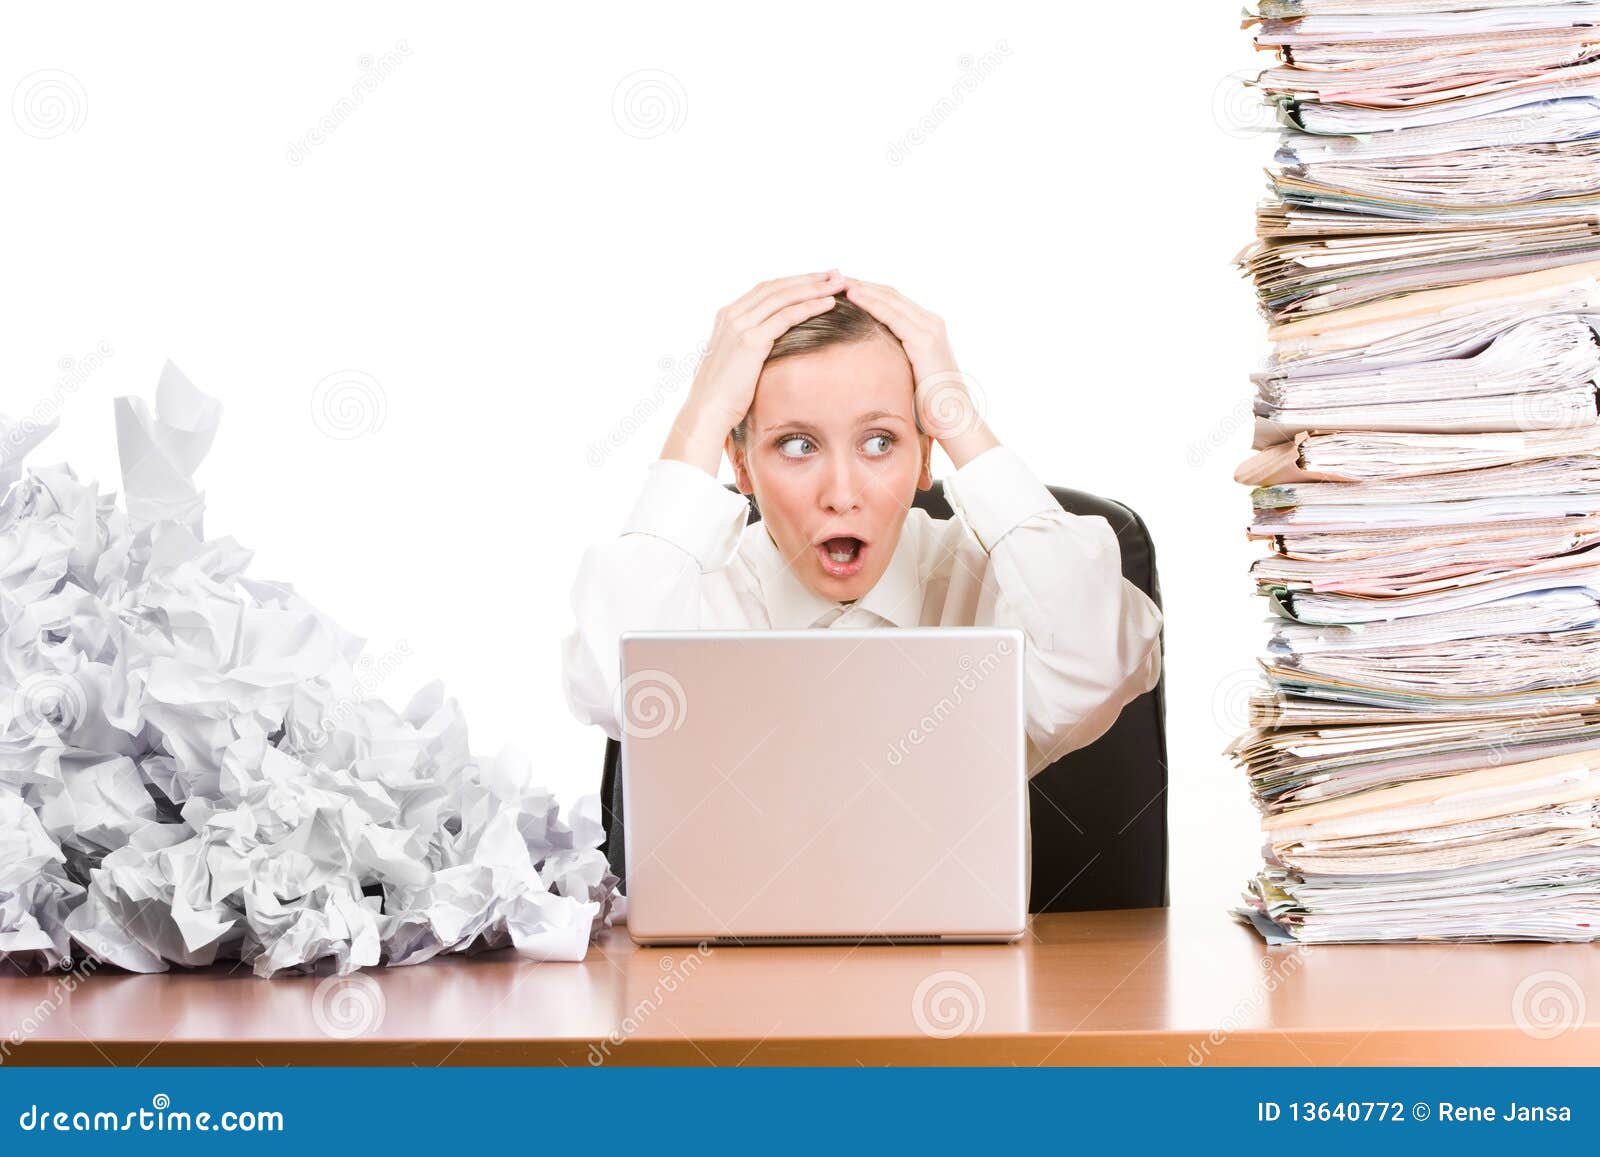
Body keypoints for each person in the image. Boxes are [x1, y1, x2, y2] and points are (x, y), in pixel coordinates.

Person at [561, 268, 1163, 783]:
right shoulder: (688, 599)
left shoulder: (995, 588)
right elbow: (608, 679)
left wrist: (959, 417)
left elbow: (1094, 660)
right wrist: (702, 412)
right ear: (740, 462)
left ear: (926, 455)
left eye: (880, 441)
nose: (842, 495)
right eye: (797, 445)